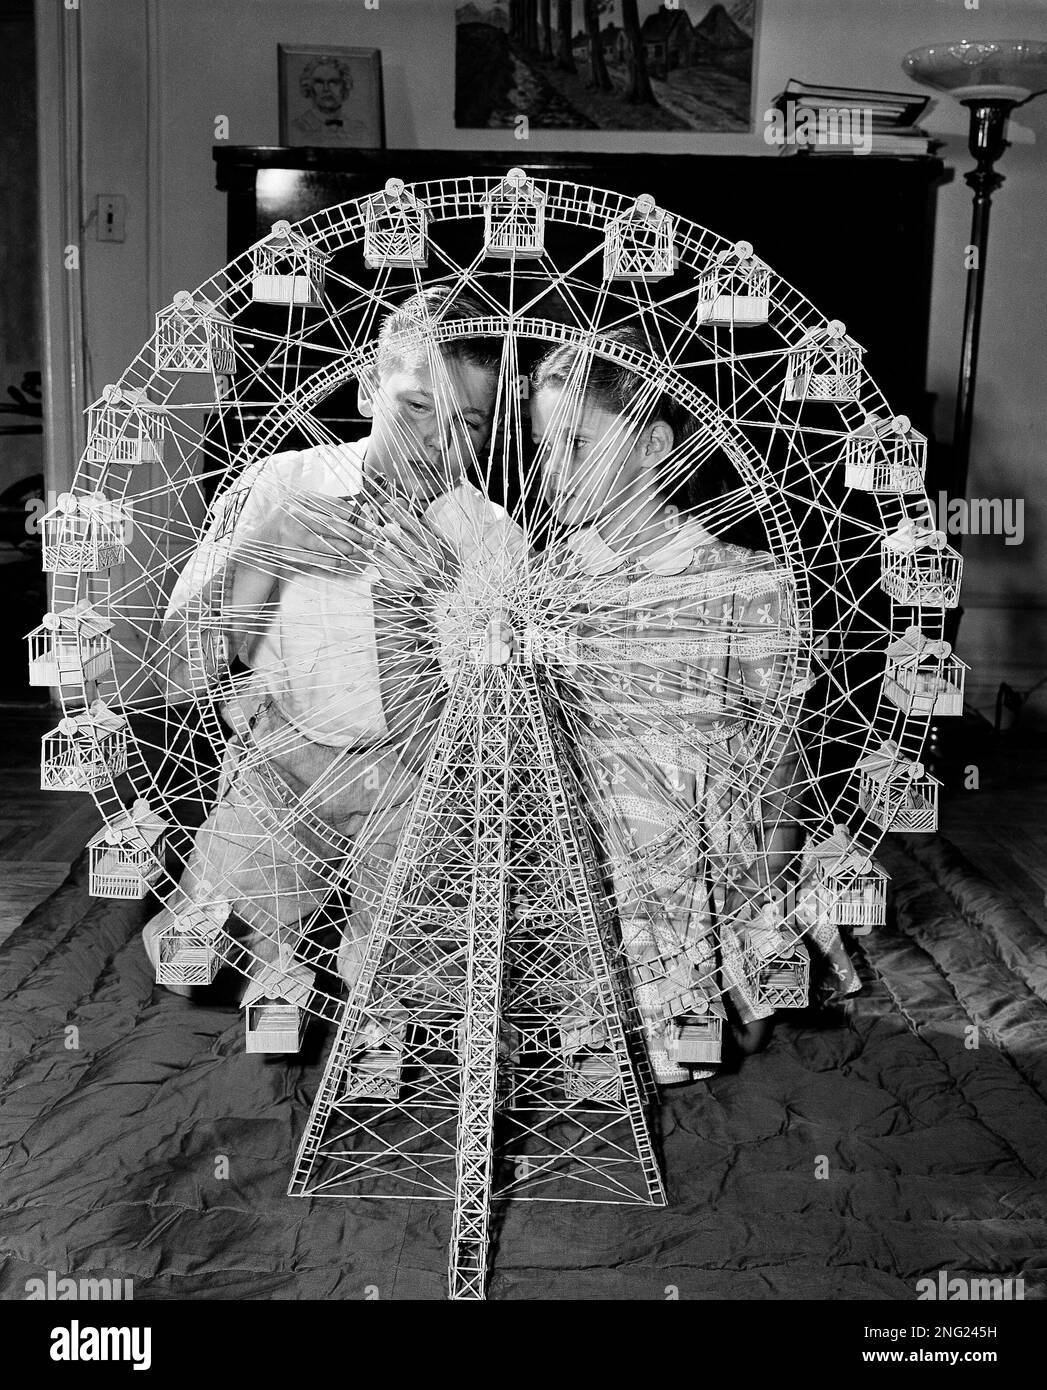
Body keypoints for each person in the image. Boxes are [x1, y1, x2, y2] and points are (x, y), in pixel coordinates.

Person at [144, 287, 524, 1004]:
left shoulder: (490, 535)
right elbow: (175, 675)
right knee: (191, 971)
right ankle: (289, 909)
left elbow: (485, 732)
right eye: (416, 408)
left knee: (431, 997)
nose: (438, 445)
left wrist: (424, 602)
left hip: (418, 779)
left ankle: (345, 925)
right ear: (366, 388)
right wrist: (268, 551)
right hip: (284, 761)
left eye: (467, 424)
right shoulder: (282, 485)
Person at [529, 328, 858, 1084]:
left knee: (692, 1053)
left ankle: (723, 988)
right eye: (541, 449)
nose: (551, 472)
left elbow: (780, 756)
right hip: (581, 849)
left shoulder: (749, 584)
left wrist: (762, 899)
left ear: (650, 446)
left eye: (574, 445)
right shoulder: (537, 583)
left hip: (701, 854)